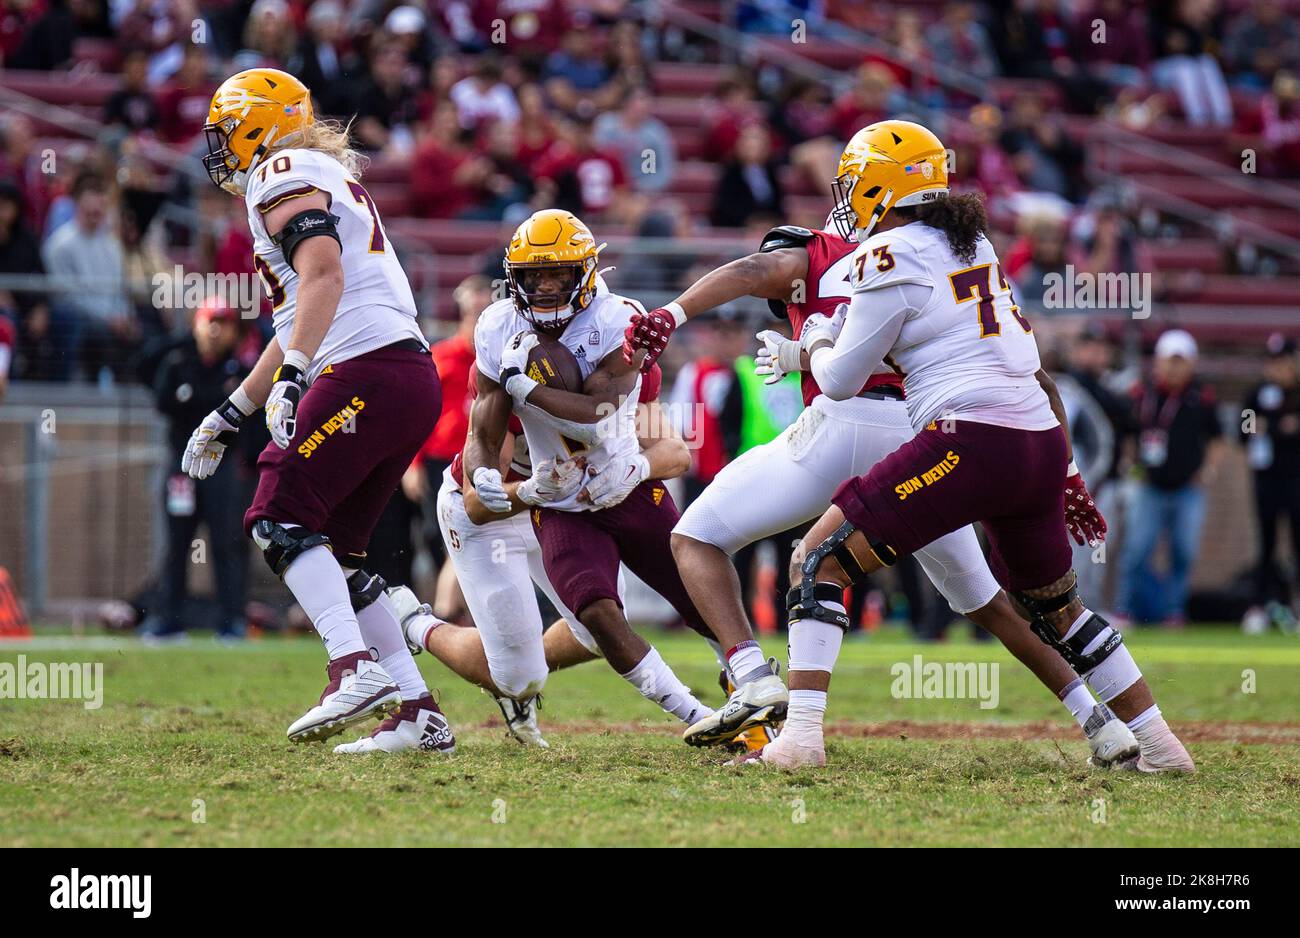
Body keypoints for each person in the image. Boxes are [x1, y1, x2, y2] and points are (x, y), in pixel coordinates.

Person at [624, 128, 1140, 768]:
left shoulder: (826, 251)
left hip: (843, 425)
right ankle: (1099, 721)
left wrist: (678, 315)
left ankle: (755, 678)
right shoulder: (959, 250)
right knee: (987, 603)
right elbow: (1029, 370)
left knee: (703, 538)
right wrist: (1065, 469)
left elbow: (759, 274)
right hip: (926, 435)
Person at [183, 68, 453, 755]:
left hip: (363, 366)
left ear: (257, 125)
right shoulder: (312, 171)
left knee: (277, 517)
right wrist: (232, 410)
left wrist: (299, 374)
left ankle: (352, 667)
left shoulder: (279, 168)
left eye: (226, 134)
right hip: (403, 374)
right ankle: (418, 713)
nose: (220, 151)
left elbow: (324, 276)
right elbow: (297, 313)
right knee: (340, 551)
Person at [463, 208, 781, 745]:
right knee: (597, 615)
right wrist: (489, 477)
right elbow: (483, 431)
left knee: (698, 597)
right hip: (559, 499)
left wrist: (526, 387)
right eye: (533, 275)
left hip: (628, 488)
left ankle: (748, 680)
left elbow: (600, 409)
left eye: (557, 273)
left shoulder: (619, 320)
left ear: (585, 272)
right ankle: (703, 719)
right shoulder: (497, 327)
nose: (544, 287)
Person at [146, 297, 251, 641]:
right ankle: (168, 619)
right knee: (177, 544)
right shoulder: (177, 362)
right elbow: (158, 392)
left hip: (221, 470)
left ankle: (231, 620)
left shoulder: (239, 371)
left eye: (225, 322)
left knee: (226, 543)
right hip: (182, 470)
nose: (217, 330)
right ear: (197, 325)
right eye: (211, 321)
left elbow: (248, 419)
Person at [1117, 329, 1223, 627]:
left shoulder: (1201, 396)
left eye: (1181, 361)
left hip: (1187, 488)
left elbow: (1216, 437)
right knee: (1137, 548)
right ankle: (1125, 609)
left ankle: (1173, 611)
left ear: (1191, 363)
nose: (1175, 368)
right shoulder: (1142, 393)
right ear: (1159, 362)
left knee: (1183, 550)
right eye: (1170, 361)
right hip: (1149, 485)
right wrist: (1130, 464)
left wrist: (1209, 469)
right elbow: (1128, 432)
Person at [1239, 334, 1300, 633]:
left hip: (1295, 477)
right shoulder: (1258, 394)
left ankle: (1295, 605)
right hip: (1266, 479)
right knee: (1267, 543)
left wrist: (1272, 427)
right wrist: (1278, 428)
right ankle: (1260, 605)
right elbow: (1245, 428)